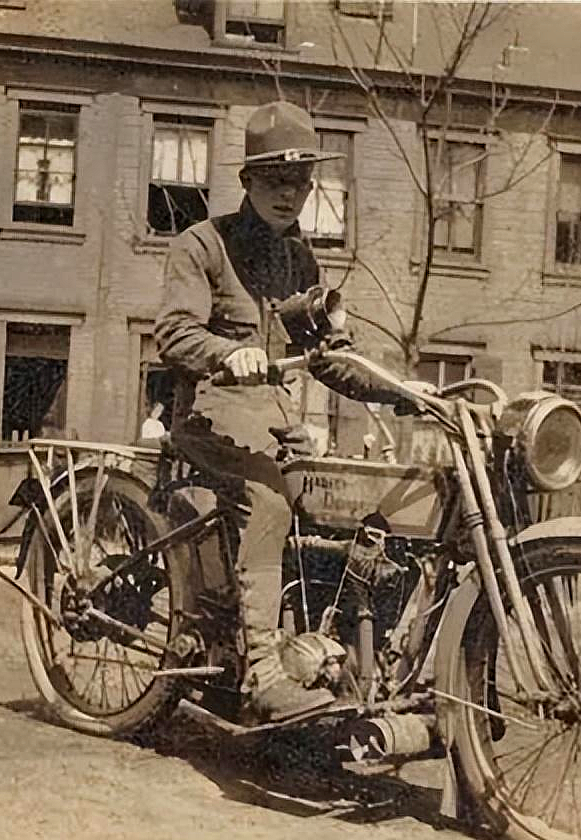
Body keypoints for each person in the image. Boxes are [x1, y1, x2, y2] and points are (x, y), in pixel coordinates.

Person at [154, 100, 419, 723]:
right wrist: (229, 353)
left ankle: (348, 663)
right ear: (247, 180)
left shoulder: (301, 262)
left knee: (358, 505)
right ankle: (264, 676)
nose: (289, 193)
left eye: (300, 181)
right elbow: (173, 333)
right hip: (208, 421)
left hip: (275, 427)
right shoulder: (203, 245)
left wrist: (404, 391)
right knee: (270, 501)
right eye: (275, 179)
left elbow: (330, 358)